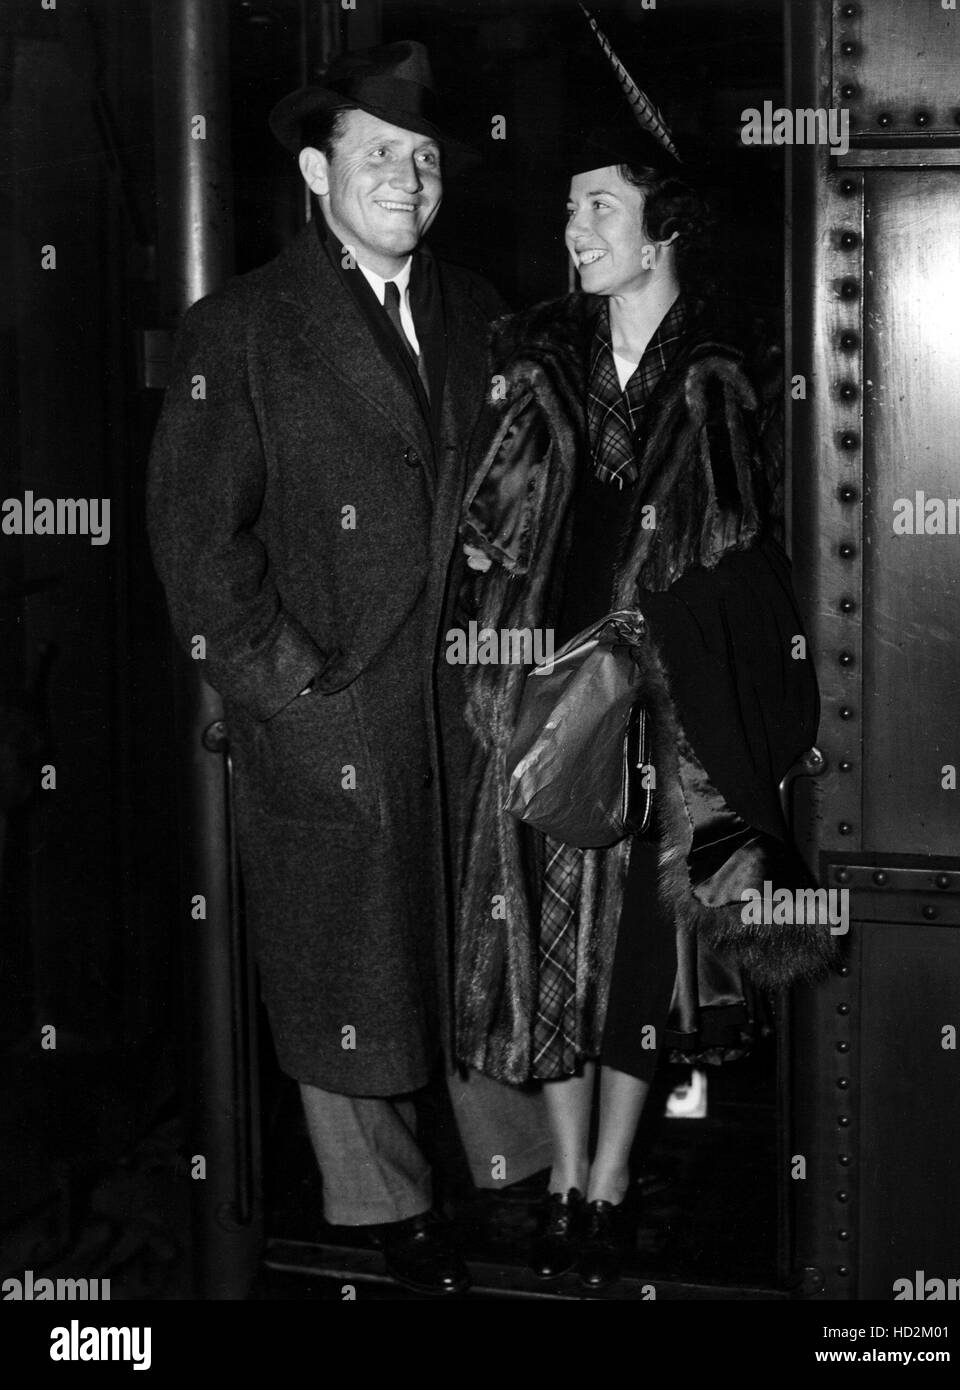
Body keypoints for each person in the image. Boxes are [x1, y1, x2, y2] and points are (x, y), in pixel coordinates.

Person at [146, 39, 549, 1298]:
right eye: (382, 156)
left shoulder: (484, 308)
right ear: (320, 172)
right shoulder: (245, 329)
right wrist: (292, 689)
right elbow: (197, 548)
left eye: (424, 161)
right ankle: (383, 1206)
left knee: (477, 939)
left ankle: (515, 1174)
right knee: (347, 967)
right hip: (334, 711)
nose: (408, 180)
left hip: (469, 704)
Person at [455, 82, 828, 1288]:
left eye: (600, 205)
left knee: (635, 961)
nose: (575, 228)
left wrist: (667, 661)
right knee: (538, 942)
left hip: (661, 715)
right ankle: (563, 1178)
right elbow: (487, 541)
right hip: (541, 699)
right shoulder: (535, 356)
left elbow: (739, 561)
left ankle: (610, 1178)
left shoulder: (718, 374)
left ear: (661, 225)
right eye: (569, 208)